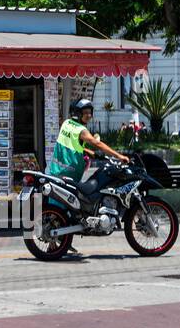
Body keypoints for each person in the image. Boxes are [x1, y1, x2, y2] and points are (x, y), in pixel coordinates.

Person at [48, 98, 133, 255]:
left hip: (55, 169)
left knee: (63, 208)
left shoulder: (66, 124)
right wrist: (119, 156)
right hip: (69, 173)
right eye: (84, 113)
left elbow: (75, 145)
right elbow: (96, 143)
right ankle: (55, 244)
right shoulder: (81, 130)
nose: (88, 116)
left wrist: (94, 155)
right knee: (66, 208)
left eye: (89, 113)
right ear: (77, 114)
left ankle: (62, 242)